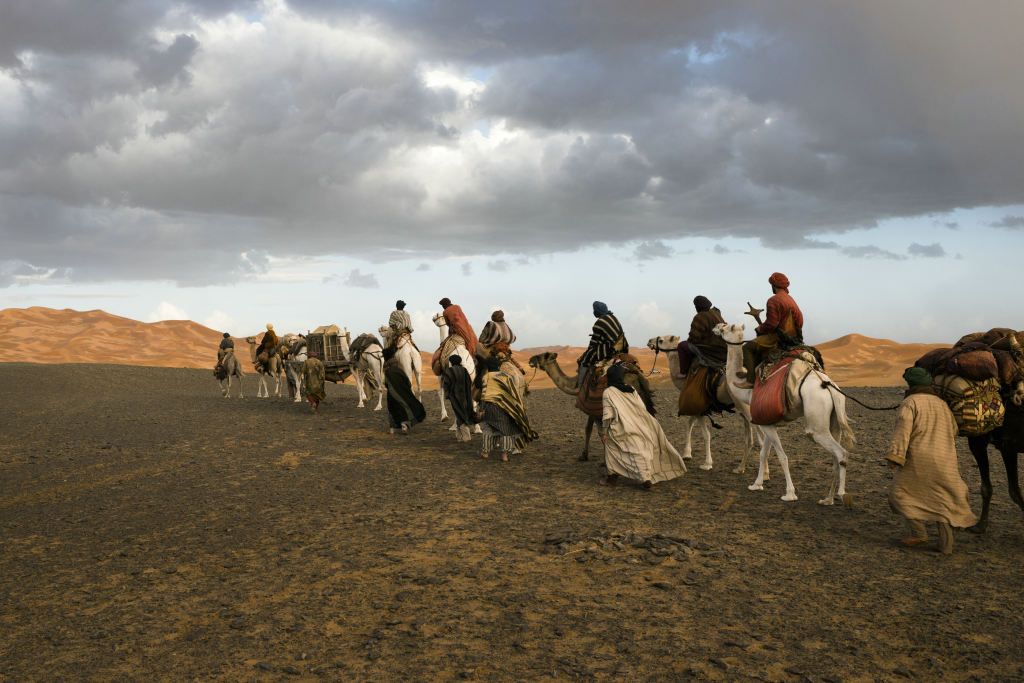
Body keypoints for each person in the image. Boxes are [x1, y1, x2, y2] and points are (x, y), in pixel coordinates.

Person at [884, 367, 976, 554]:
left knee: (899, 494)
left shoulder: (910, 402)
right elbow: (954, 430)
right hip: (945, 459)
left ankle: (918, 533)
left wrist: (896, 456)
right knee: (943, 500)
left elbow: (903, 432)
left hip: (919, 458)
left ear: (911, 384)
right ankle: (946, 545)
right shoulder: (942, 403)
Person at [600, 364, 686, 488]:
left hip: (619, 425)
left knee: (611, 447)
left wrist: (604, 432)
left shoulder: (608, 392)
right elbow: (641, 408)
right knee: (640, 449)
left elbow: (608, 415)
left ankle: (612, 478)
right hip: (639, 423)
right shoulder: (631, 389)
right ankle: (645, 477)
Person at [737, 273, 804, 388]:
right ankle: (752, 372)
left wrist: (759, 328)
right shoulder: (791, 300)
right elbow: (800, 322)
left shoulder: (773, 300)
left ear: (773, 285)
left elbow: (771, 324)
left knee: (747, 348)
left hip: (777, 338)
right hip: (795, 339)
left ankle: (750, 380)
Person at [477, 356, 537, 461]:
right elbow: (513, 393)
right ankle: (504, 456)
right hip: (506, 407)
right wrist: (517, 408)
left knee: (488, 429)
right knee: (506, 431)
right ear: (499, 366)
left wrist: (481, 409)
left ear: (487, 367)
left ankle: (485, 452)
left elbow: (484, 394)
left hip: (491, 407)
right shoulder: (507, 377)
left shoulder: (486, 377)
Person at [577, 301, 628, 385]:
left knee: (585, 359)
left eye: (594, 310)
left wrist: (586, 353)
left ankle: (580, 385)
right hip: (623, 347)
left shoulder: (599, 322)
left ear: (597, 311)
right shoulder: (613, 317)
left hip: (610, 349)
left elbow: (593, 343)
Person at [676, 296, 727, 377]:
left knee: (682, 346)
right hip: (723, 349)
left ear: (697, 306)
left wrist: (690, 341)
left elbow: (693, 338)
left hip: (710, 350)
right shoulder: (716, 313)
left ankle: (683, 372)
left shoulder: (700, 316)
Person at [383, 346, 426, 434]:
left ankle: (392, 429)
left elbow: (386, 383)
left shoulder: (387, 371)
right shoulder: (400, 370)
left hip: (392, 394)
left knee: (392, 409)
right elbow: (408, 383)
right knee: (405, 408)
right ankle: (404, 426)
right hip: (404, 392)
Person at [441, 354, 476, 442]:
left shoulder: (449, 371)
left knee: (460, 414)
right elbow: (469, 383)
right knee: (461, 413)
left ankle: (466, 437)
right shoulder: (464, 370)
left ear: (451, 362)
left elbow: (446, 384)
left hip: (455, 397)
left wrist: (447, 395)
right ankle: (459, 436)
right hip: (466, 396)